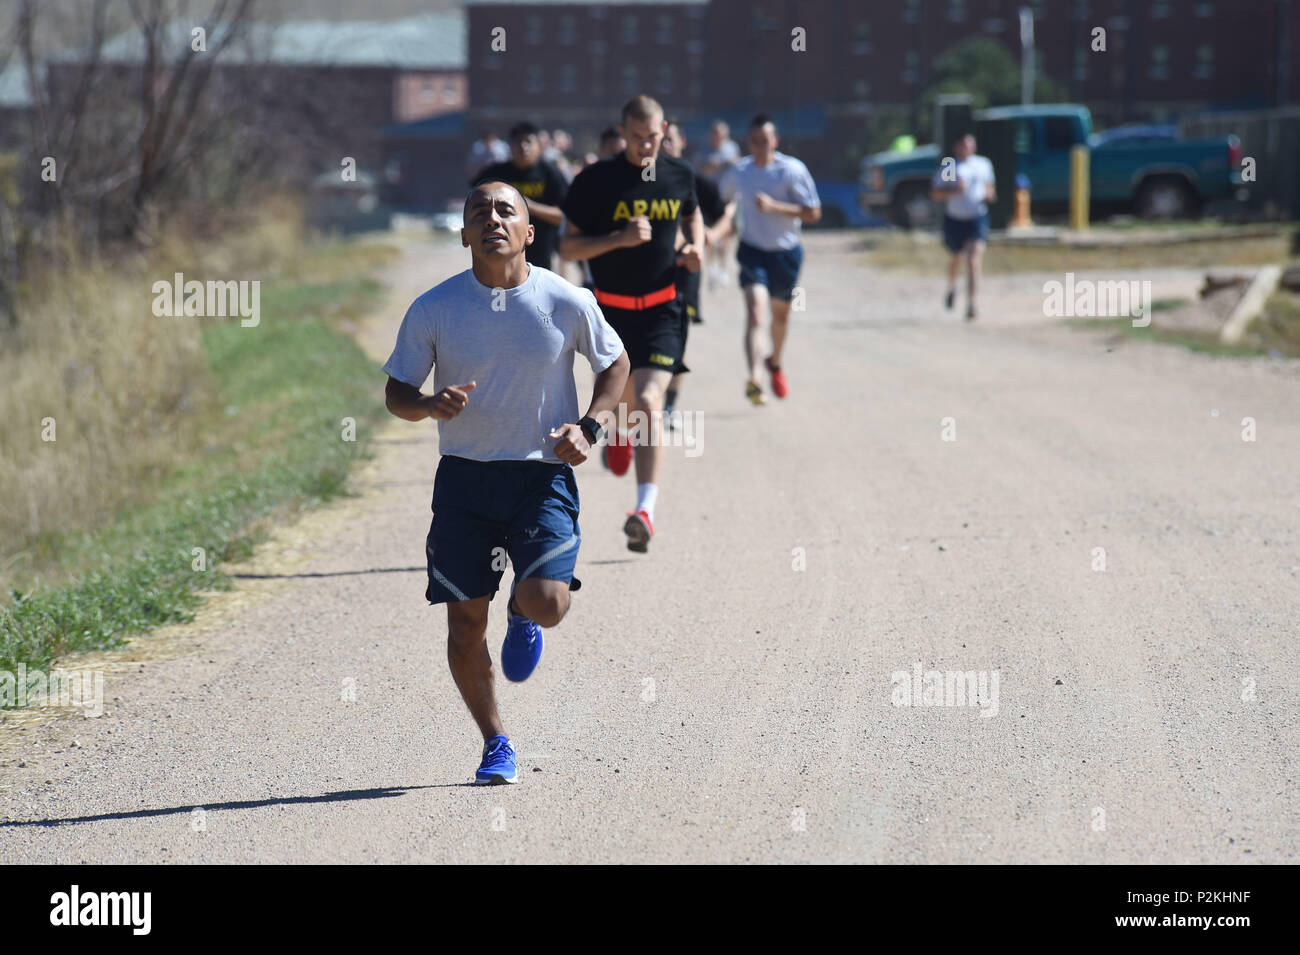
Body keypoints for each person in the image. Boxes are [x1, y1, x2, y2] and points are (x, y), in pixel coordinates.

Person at [383, 181, 630, 785]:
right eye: (478, 213)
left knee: (547, 605)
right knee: (465, 623)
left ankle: (521, 608)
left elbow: (615, 362)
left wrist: (591, 427)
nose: (491, 219)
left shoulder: (566, 299)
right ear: (465, 233)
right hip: (465, 479)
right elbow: (396, 394)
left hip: (541, 476)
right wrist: (426, 405)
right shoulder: (435, 307)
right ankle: (496, 743)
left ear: (528, 230)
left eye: (505, 211)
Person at [559, 94, 703, 553]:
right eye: (637, 138)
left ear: (665, 131)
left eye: (654, 137)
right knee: (624, 401)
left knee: (649, 398)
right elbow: (569, 249)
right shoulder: (595, 181)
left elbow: (692, 212)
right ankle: (619, 430)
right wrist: (618, 238)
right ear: (623, 134)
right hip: (611, 311)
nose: (646, 146)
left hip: (663, 308)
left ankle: (644, 510)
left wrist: (695, 247)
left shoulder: (679, 173)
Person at [719, 114, 821, 406]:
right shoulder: (739, 172)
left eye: (765, 141)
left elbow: (813, 213)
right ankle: (754, 378)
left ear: (775, 141)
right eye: (754, 141)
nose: (760, 147)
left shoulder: (792, 171)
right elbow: (722, 200)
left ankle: (774, 363)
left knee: (780, 316)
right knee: (755, 312)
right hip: (752, 251)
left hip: (786, 253)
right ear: (748, 142)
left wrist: (775, 207)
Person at [661, 117, 735, 426]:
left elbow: (725, 217)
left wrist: (709, 239)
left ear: (681, 144)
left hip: (685, 271)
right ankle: (635, 410)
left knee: (678, 339)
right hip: (645, 272)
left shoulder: (692, 179)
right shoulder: (636, 179)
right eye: (658, 138)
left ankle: (669, 408)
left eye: (669, 139)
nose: (662, 144)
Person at [474, 121, 569, 271]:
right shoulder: (495, 173)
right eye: (518, 142)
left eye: (528, 142)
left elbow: (565, 217)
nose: (523, 147)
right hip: (501, 253)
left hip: (542, 253)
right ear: (510, 146)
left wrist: (529, 206)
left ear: (539, 146)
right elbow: (474, 203)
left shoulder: (550, 173)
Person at [930, 132, 995, 321]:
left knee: (974, 260)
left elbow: (990, 186)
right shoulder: (950, 165)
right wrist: (955, 190)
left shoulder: (982, 164)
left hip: (977, 218)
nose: (967, 148)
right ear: (956, 147)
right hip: (955, 219)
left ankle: (971, 303)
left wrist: (990, 194)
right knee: (956, 257)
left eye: (970, 145)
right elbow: (936, 193)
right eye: (963, 145)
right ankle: (952, 286)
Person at [698, 120, 741, 288]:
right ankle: (712, 267)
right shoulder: (703, 151)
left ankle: (723, 266)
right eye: (715, 134)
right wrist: (711, 166)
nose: (718, 137)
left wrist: (729, 162)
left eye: (721, 134)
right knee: (709, 234)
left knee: (726, 235)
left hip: (726, 197)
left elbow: (738, 166)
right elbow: (699, 171)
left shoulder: (732, 148)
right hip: (708, 198)